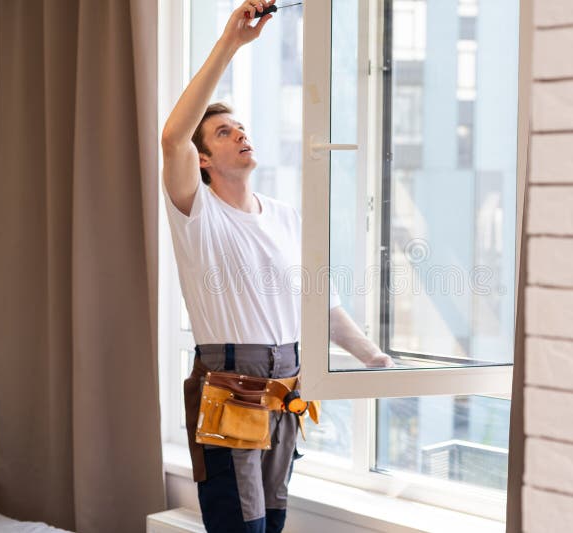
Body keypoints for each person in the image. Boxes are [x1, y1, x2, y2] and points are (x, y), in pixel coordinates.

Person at [160, 2, 393, 531]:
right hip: (230, 393)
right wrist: (231, 44)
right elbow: (172, 137)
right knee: (243, 528)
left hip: (286, 392)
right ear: (202, 160)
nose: (240, 135)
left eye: (241, 128)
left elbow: (323, 305)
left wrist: (376, 359)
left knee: (275, 524)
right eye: (222, 133)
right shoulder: (198, 212)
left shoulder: (287, 217)